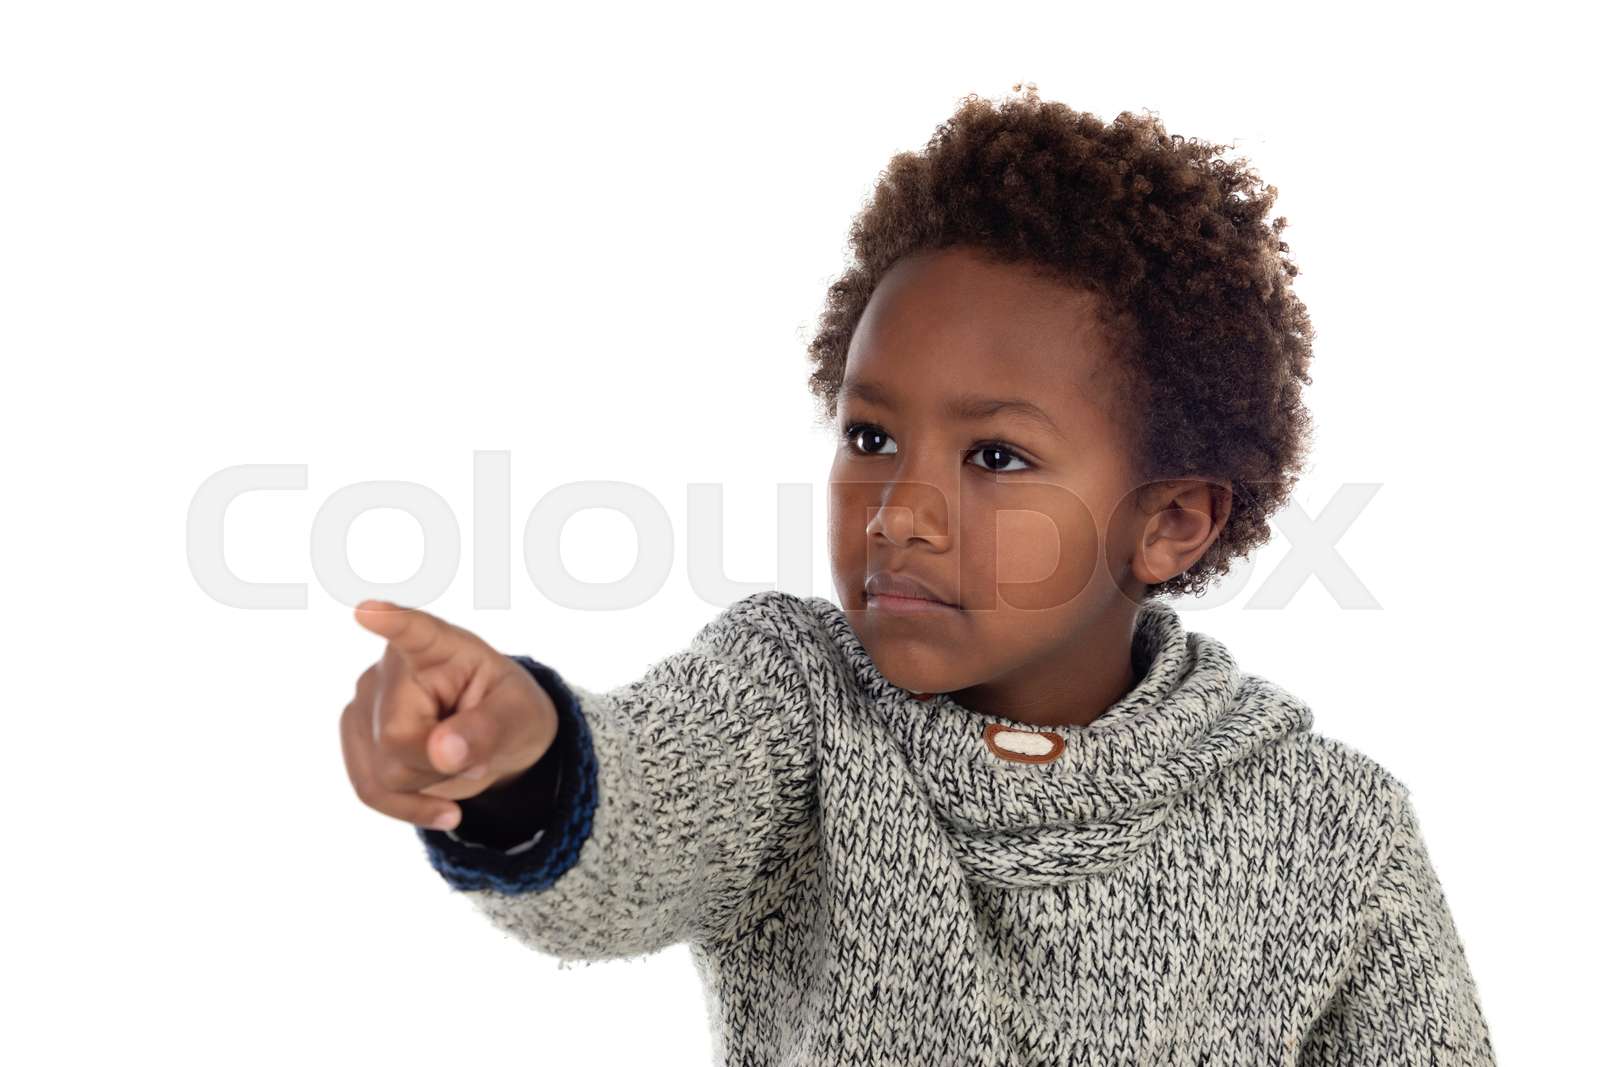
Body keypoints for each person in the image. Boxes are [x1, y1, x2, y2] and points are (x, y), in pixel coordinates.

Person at [339, 84, 1498, 1064]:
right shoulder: (791, 704)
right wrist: (521, 761)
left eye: (995, 456)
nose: (898, 513)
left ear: (1171, 522)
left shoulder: (1331, 829)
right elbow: (646, 807)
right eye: (869, 436)